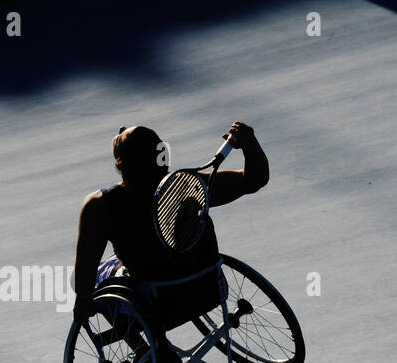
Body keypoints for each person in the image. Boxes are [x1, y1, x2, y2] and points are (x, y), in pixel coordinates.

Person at [71, 121, 269, 330]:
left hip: (154, 310)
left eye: (122, 137)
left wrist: (82, 305)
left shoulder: (98, 206)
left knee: (86, 279)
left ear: (121, 162)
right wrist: (250, 143)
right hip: (207, 293)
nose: (120, 130)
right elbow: (254, 179)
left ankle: (144, 351)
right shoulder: (188, 185)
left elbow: (83, 280)